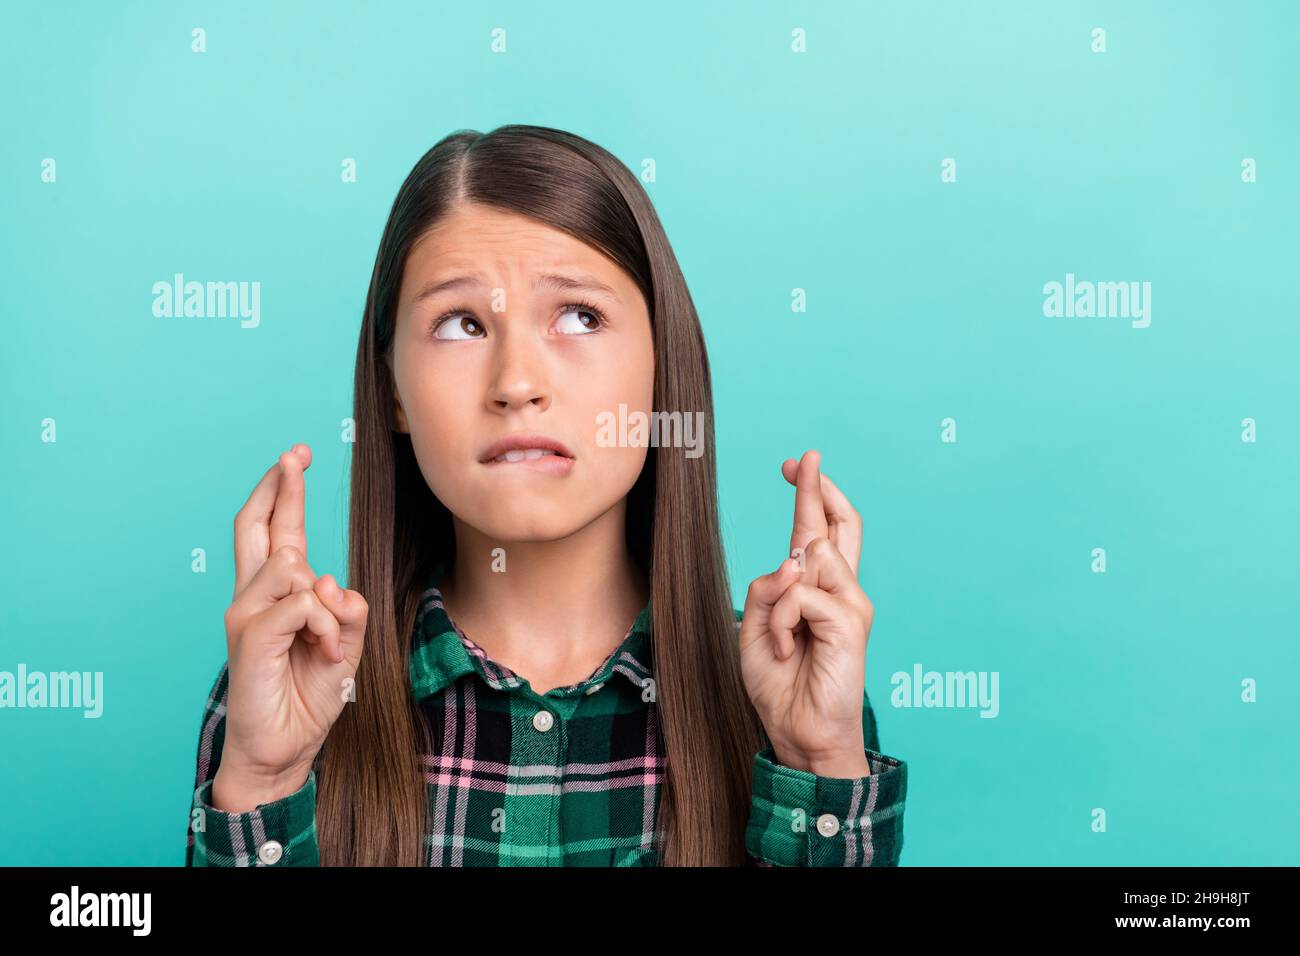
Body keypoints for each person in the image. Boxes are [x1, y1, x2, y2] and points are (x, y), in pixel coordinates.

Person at [185, 125, 907, 867]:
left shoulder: (783, 700)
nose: (517, 384)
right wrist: (264, 781)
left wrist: (819, 764)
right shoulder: (293, 691)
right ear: (391, 391)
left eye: (579, 317)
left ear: (663, 371)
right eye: (462, 325)